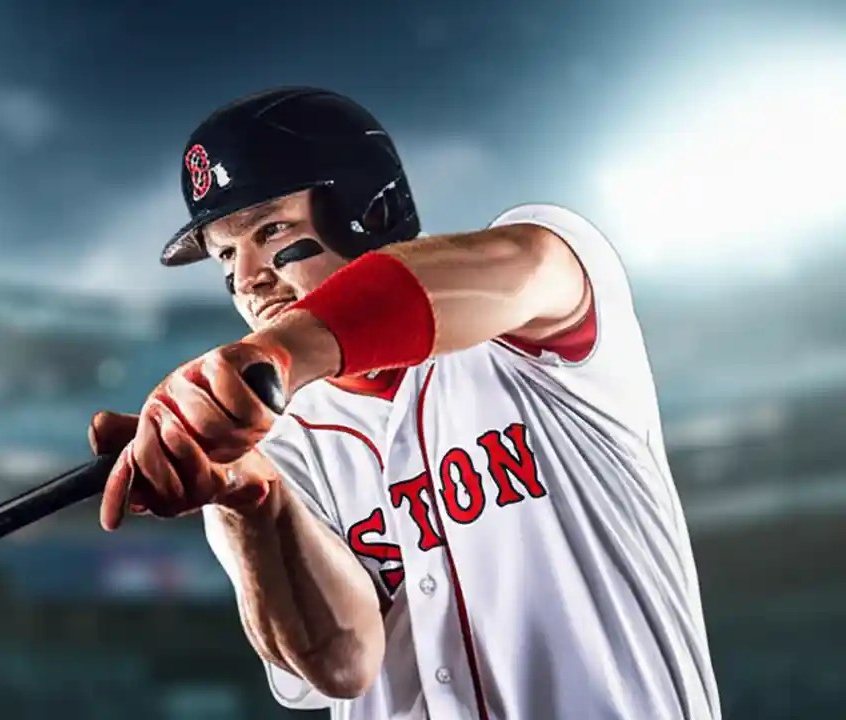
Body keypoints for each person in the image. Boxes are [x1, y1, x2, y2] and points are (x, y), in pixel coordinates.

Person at [88, 87, 719, 719]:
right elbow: (343, 665)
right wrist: (252, 504)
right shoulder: (267, 448)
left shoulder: (532, 329)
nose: (246, 276)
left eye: (271, 228)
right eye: (226, 253)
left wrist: (279, 354)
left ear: (370, 209)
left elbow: (531, 264)